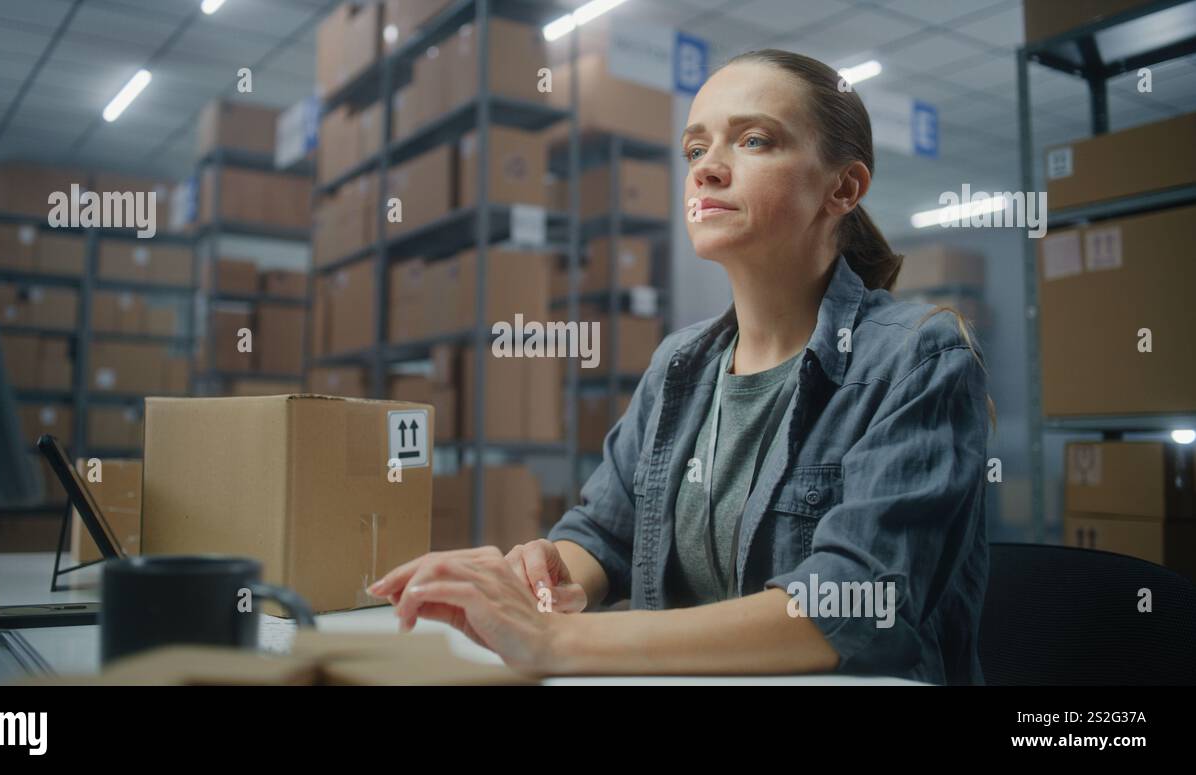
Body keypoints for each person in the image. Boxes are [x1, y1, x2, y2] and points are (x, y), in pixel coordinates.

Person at [368, 49, 993, 685]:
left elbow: (852, 607)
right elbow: (604, 533)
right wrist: (546, 572)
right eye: (695, 150)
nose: (708, 171)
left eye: (753, 140)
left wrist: (559, 639)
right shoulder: (680, 365)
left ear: (843, 188)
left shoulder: (917, 357)